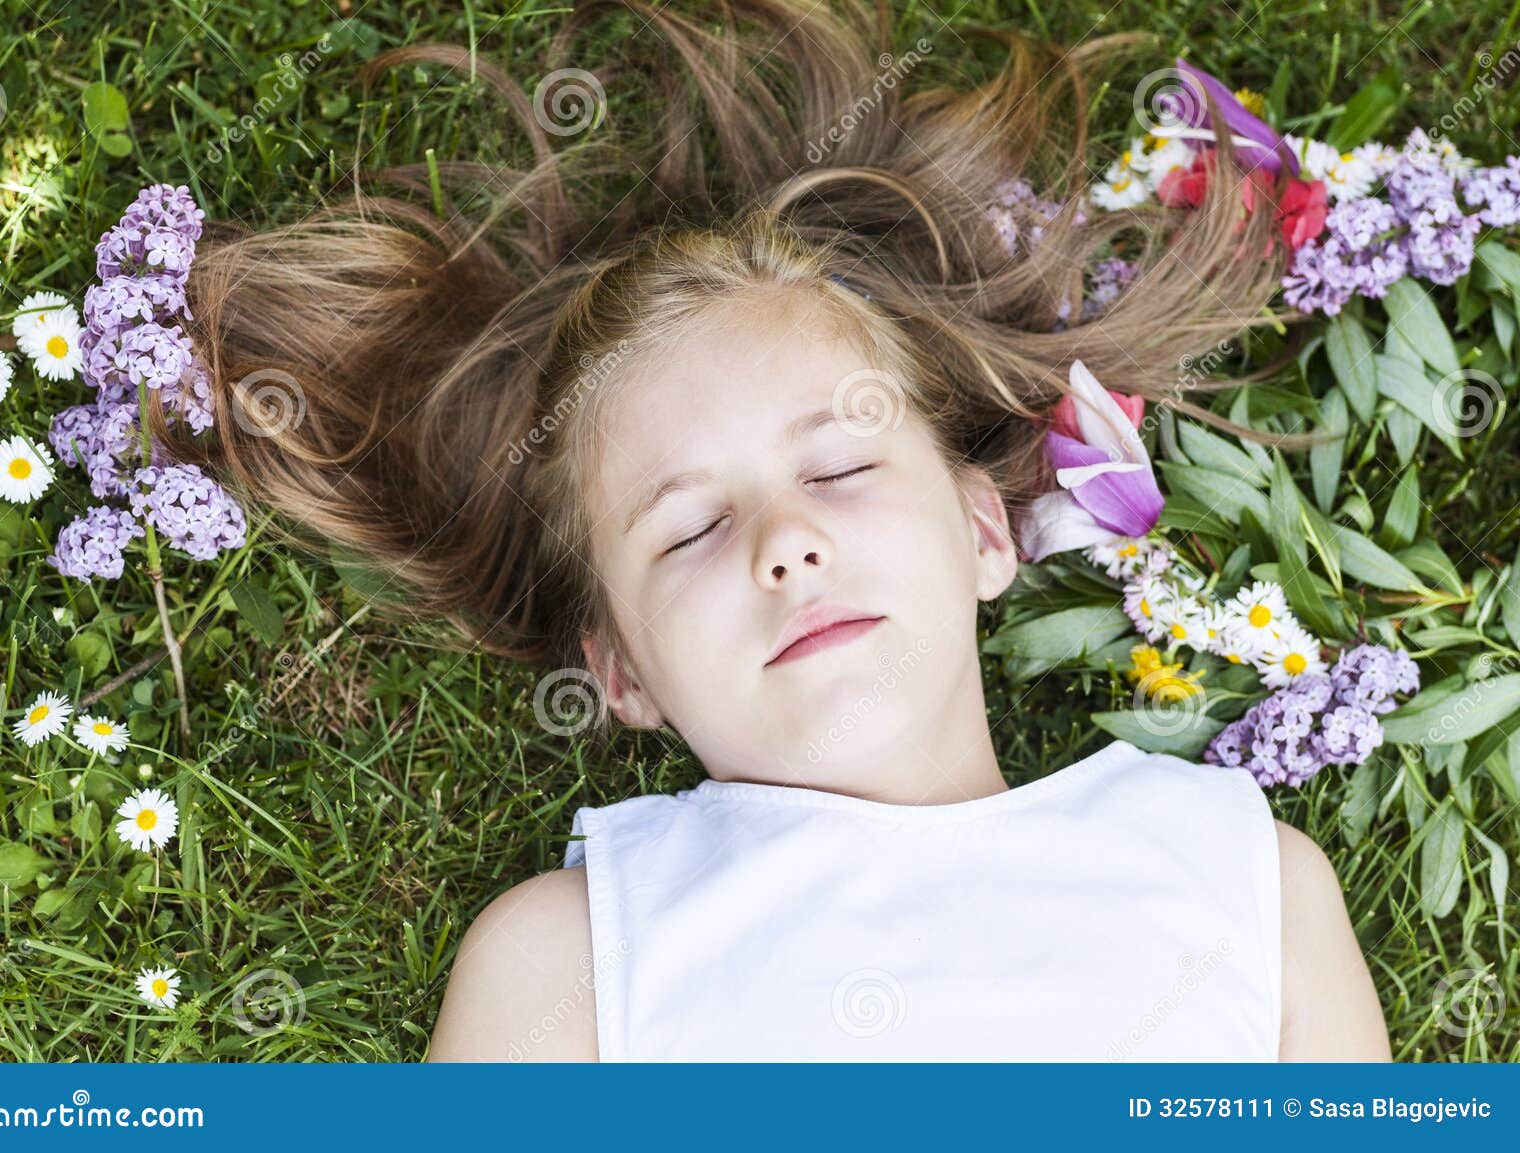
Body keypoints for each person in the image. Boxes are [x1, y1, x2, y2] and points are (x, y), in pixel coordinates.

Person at [158, 0, 1391, 1061]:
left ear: (983, 529)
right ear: (623, 671)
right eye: (688, 530)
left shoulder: (1247, 880)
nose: (784, 544)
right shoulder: (567, 961)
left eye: (842, 465)